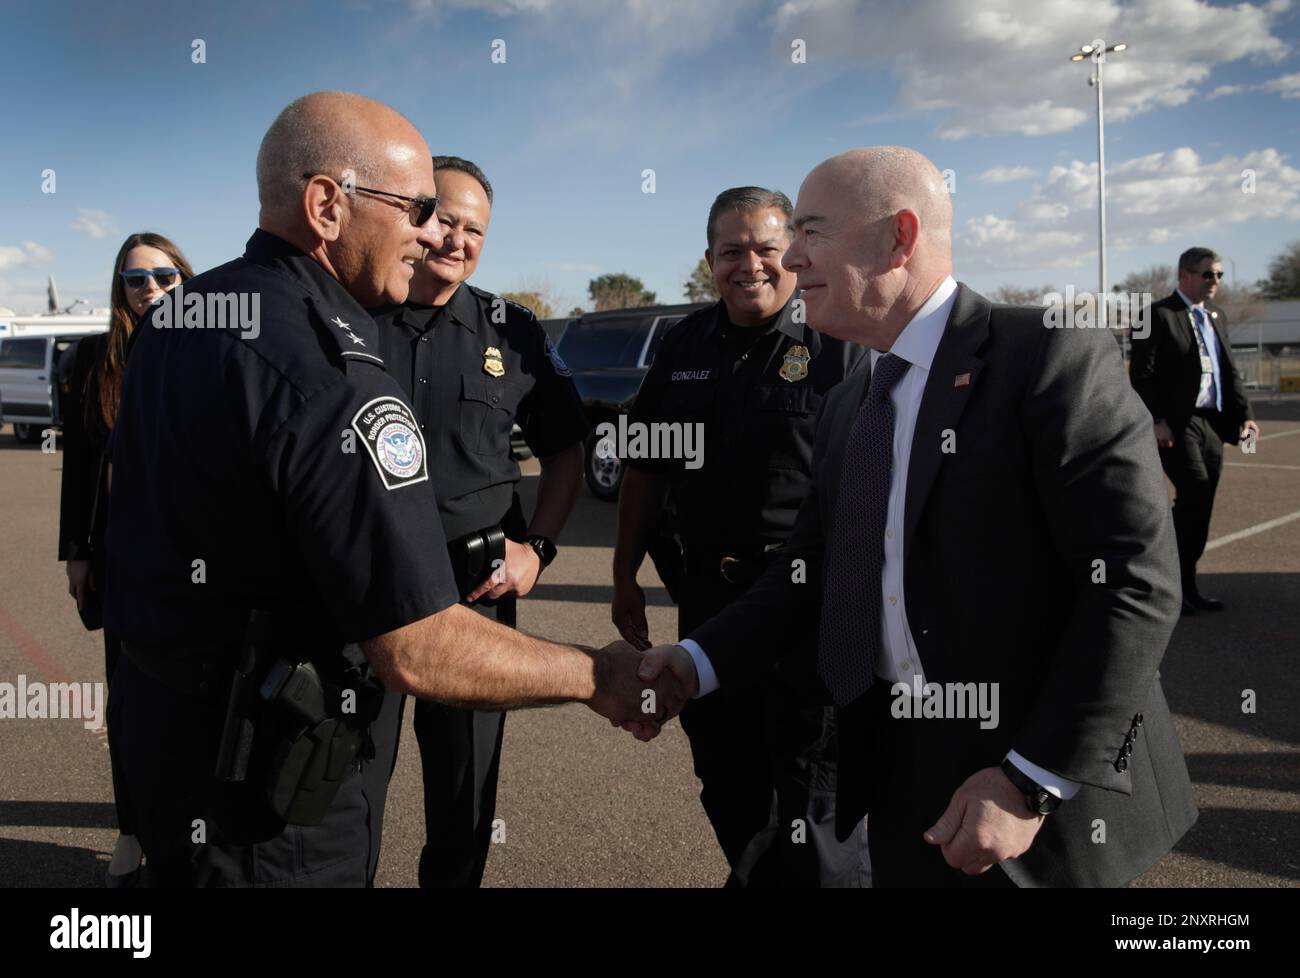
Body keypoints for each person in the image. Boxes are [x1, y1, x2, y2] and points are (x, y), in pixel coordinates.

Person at [101, 91, 676, 887]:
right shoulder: (331, 368)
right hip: (267, 792)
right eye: (413, 208)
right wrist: (597, 676)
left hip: (168, 739)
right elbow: (418, 647)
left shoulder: (183, 318)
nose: (427, 232)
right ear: (327, 204)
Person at [638, 147, 1197, 887]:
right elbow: (804, 576)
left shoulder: (1048, 359)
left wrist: (1030, 777)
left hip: (1037, 791)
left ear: (898, 238)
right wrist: (696, 661)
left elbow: (1134, 582)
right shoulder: (849, 401)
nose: (793, 259)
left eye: (811, 232)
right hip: (901, 775)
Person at [611, 187, 869, 887]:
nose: (749, 265)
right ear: (709, 260)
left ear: (793, 250)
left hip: (806, 615)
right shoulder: (685, 345)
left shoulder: (840, 345)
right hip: (709, 611)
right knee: (726, 777)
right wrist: (623, 574)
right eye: (732, 251)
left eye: (764, 248)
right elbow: (645, 465)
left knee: (815, 796)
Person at [367, 155, 587, 888]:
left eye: (475, 230)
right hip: (363, 590)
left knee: (464, 795)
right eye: (443, 220)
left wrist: (539, 549)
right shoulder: (349, 316)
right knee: (345, 785)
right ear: (412, 215)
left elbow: (565, 453)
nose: (457, 240)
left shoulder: (511, 331)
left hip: (477, 593)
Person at [58, 231, 194, 887]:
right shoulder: (94, 360)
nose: (152, 290)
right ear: (120, 288)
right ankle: (132, 830)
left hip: (198, 565)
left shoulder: (213, 347)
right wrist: (75, 552)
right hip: (122, 561)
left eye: (165, 276)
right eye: (136, 279)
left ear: (187, 279)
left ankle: (193, 829)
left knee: (199, 701)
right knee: (129, 704)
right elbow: (78, 467)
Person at [1129, 248, 1259, 614]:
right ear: (1184, 275)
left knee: (1200, 505)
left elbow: (1229, 371)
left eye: (1218, 275)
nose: (1215, 281)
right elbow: (1142, 375)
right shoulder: (1156, 315)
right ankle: (1168, 583)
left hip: (1211, 423)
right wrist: (1156, 420)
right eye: (1208, 274)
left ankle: (1186, 585)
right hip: (1175, 424)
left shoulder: (1216, 315)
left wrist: (1246, 416)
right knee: (1195, 494)